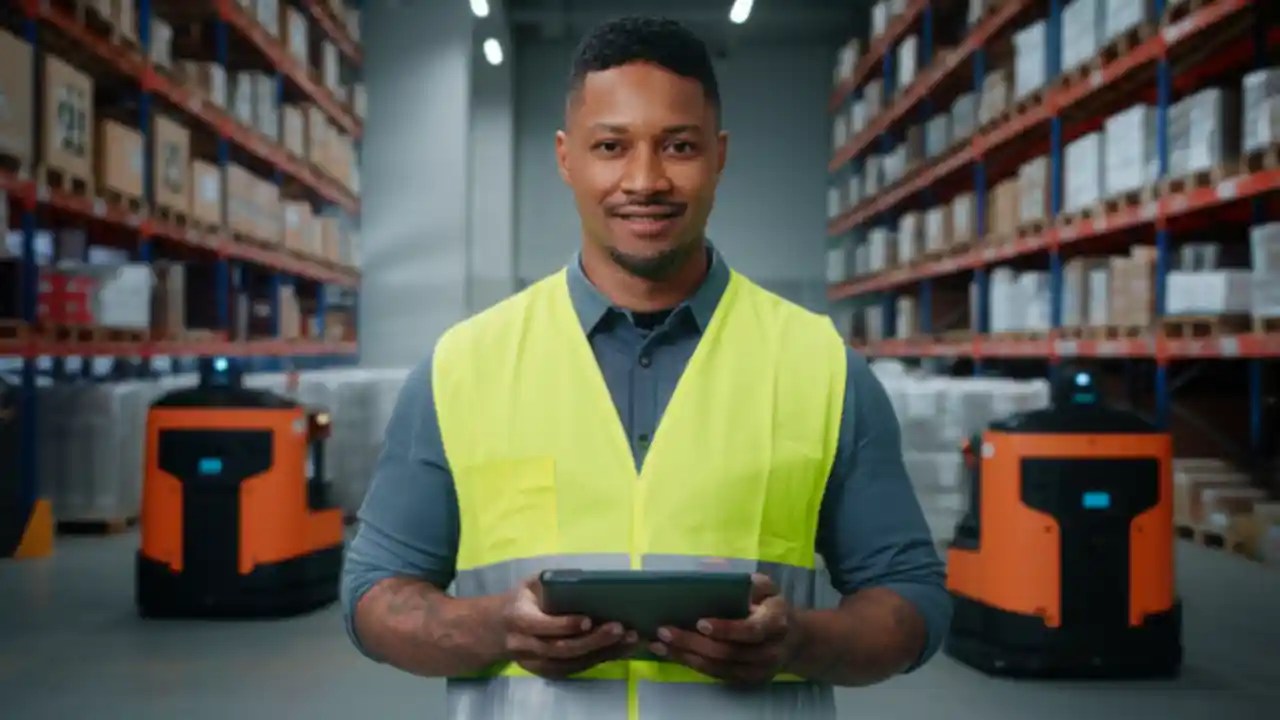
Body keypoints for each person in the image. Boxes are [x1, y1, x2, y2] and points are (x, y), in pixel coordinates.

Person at [341, 15, 950, 719]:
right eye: (611, 146)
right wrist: (495, 627)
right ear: (566, 158)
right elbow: (374, 597)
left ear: (718, 156)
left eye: (679, 146)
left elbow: (912, 600)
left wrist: (799, 642)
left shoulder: (821, 369)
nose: (645, 179)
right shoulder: (462, 368)